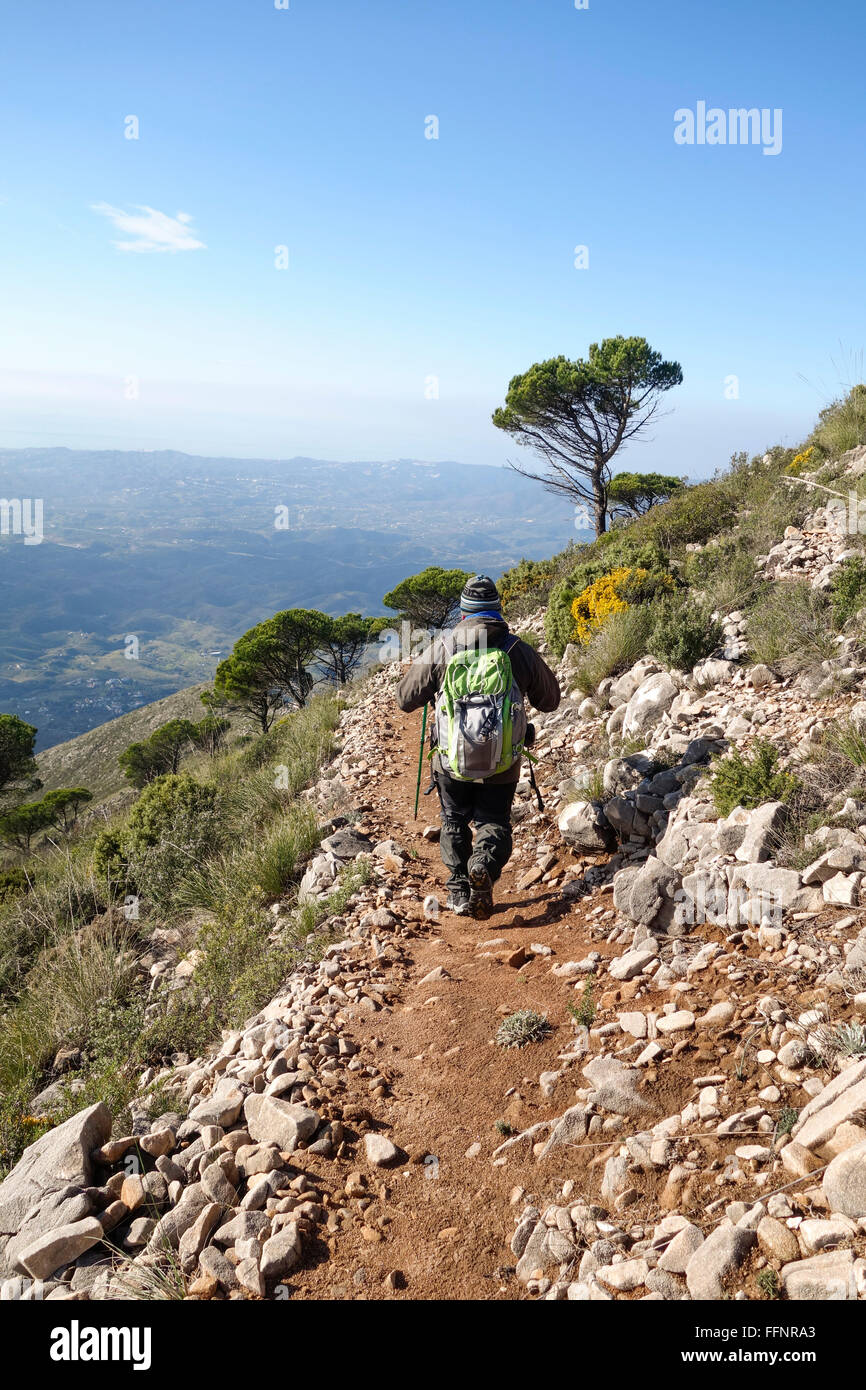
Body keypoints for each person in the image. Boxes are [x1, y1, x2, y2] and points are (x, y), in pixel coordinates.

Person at [395, 574, 561, 919]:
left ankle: (458, 890)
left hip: (450, 760)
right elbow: (550, 701)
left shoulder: (443, 648)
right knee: (494, 820)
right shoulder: (516, 650)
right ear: (498, 610)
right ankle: (483, 862)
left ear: (463, 613)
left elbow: (404, 700)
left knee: (454, 818)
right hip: (502, 761)